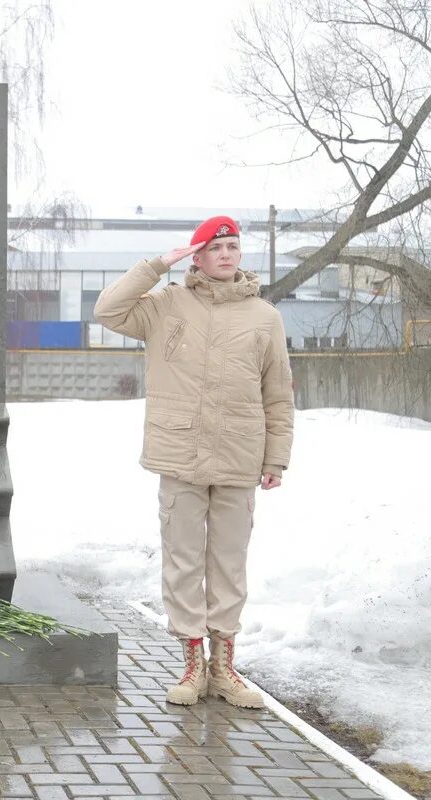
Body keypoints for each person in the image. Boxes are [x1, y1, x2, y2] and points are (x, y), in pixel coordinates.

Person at [94, 215, 294, 708]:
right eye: (215, 247)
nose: (226, 254)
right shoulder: (165, 305)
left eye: (233, 246)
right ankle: (191, 664)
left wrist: (277, 458)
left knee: (229, 562)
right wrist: (158, 265)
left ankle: (224, 668)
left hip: (239, 455)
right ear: (197, 256)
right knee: (183, 561)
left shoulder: (264, 316)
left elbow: (279, 394)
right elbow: (107, 310)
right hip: (179, 453)